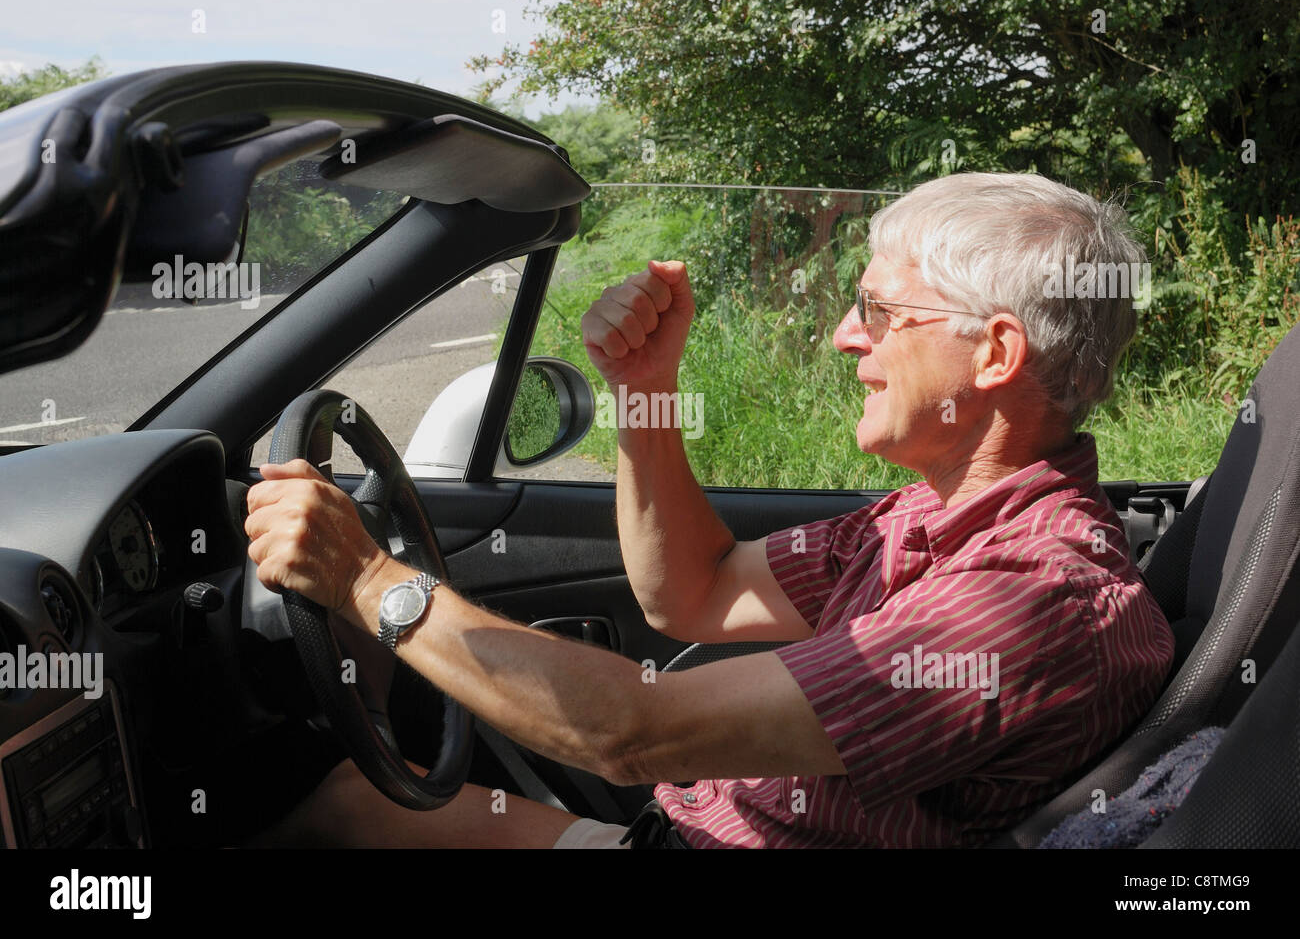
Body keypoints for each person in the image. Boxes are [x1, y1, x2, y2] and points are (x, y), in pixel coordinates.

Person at [243, 171, 1175, 848]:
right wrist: (647, 391)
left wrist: (368, 580)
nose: (848, 337)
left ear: (995, 354)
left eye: (881, 312)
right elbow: (692, 592)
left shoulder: (1019, 601)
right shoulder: (924, 518)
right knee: (347, 803)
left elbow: (633, 734)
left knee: (337, 815)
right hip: (691, 830)